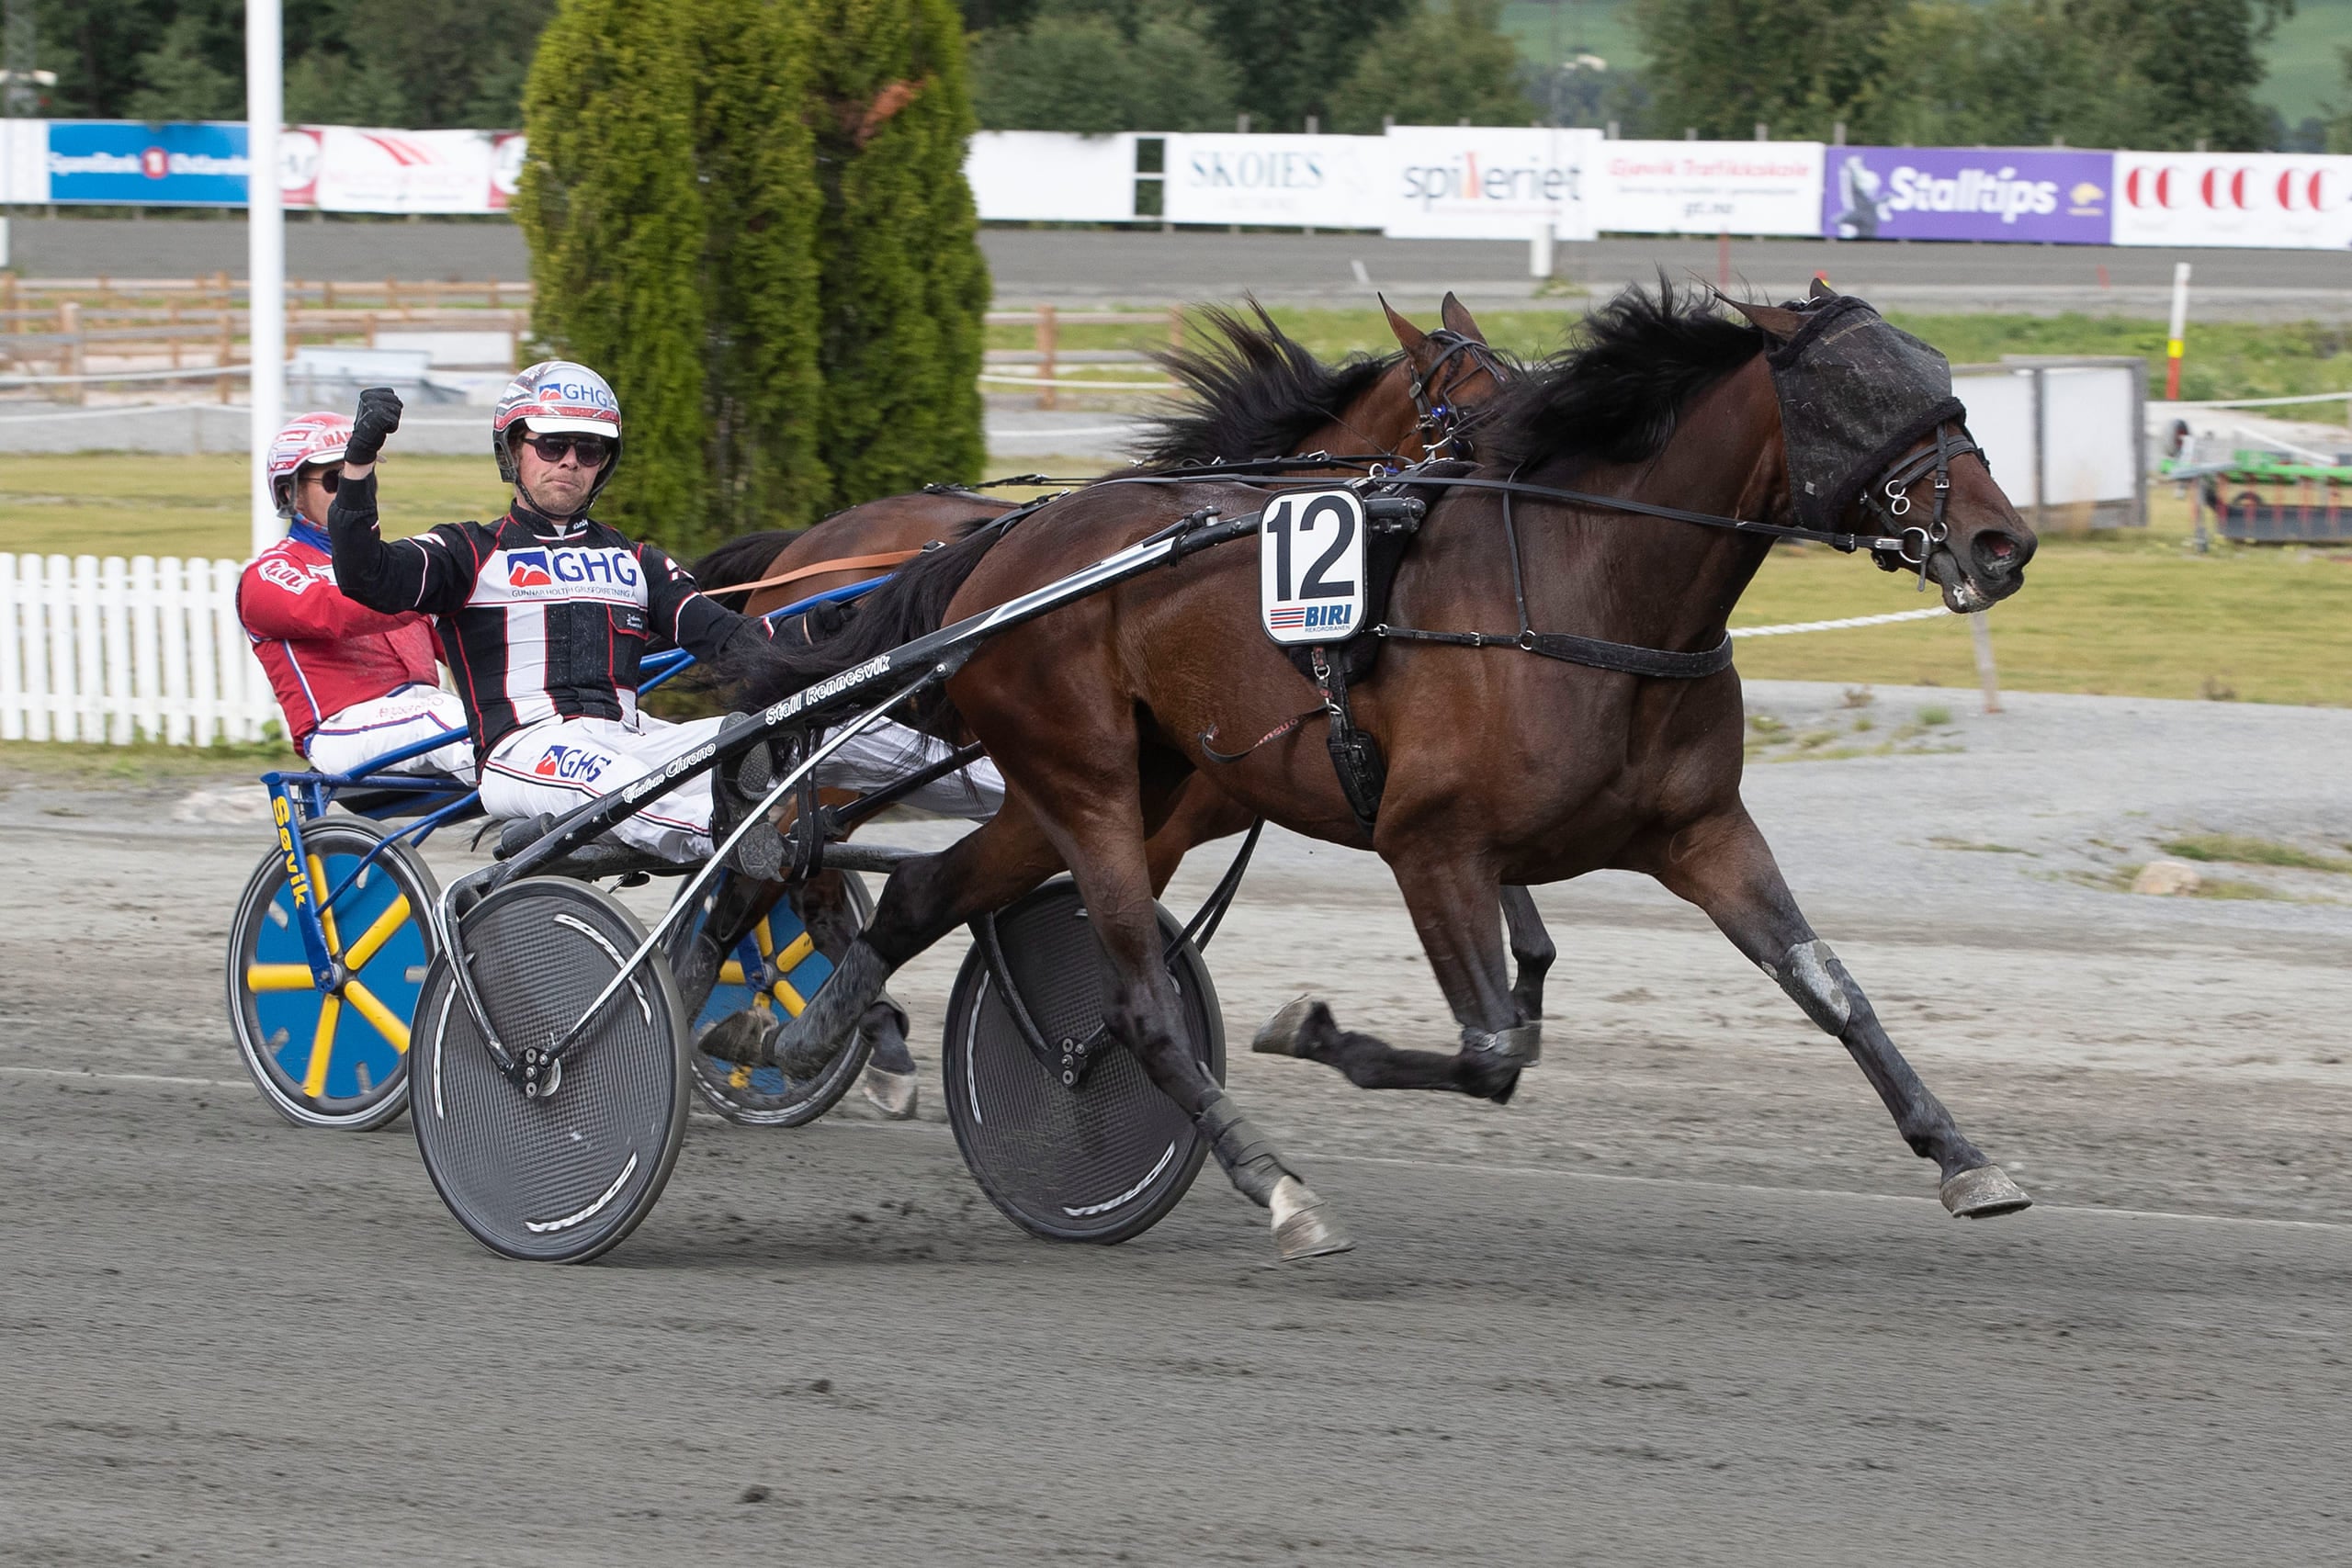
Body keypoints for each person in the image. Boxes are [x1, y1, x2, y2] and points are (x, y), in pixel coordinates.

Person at [323, 361, 1001, 861]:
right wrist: (360, 464)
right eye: (551, 444)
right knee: (631, 778)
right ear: (514, 449)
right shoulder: (465, 550)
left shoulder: (637, 561)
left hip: (634, 736)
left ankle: (1023, 792)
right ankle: (747, 835)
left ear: (604, 465)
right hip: (524, 749)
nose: (569, 462)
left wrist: (826, 630)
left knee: (828, 732)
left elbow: (735, 644)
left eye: (588, 450)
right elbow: (366, 575)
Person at [237, 412, 474, 780]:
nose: (352, 490)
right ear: (290, 492)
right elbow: (337, 612)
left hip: (420, 720)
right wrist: (429, 587)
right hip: (343, 730)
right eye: (336, 479)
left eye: (361, 477)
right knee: (444, 716)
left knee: (506, 716)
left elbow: (465, 642)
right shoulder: (268, 575)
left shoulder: (393, 566)